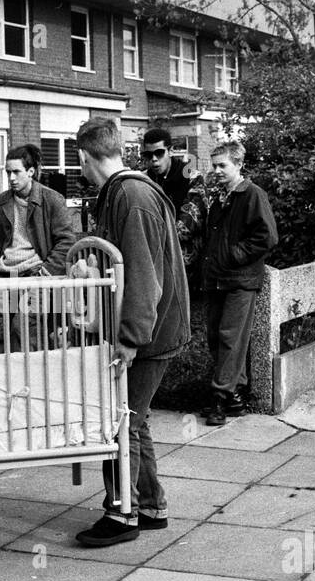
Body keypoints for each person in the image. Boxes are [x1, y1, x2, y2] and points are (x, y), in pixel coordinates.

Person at [73, 117, 190, 547]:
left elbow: (143, 275)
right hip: (156, 329)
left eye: (79, 162)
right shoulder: (128, 192)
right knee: (134, 422)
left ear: (85, 156)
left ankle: (124, 514)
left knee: (119, 422)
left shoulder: (130, 195)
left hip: (150, 333)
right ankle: (151, 505)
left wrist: (129, 339)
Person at [201, 141, 279, 426]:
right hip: (217, 279)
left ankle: (219, 398)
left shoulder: (252, 194)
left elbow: (267, 236)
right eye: (214, 165)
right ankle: (235, 396)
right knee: (216, 338)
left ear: (239, 165)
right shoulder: (222, 197)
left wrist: (235, 255)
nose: (217, 171)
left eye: (223, 165)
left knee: (230, 338)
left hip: (240, 280)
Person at [0, 143, 77, 351]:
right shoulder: (3, 201)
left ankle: (30, 378)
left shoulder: (52, 200)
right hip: (4, 274)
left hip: (35, 274)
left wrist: (44, 272)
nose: (11, 178)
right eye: (8, 172)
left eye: (16, 172)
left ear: (31, 172)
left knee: (24, 326)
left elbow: (66, 241)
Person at [140, 127, 200, 216]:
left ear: (171, 151)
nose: (154, 159)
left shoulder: (192, 177)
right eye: (148, 155)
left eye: (159, 153)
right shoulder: (144, 179)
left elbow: (192, 217)